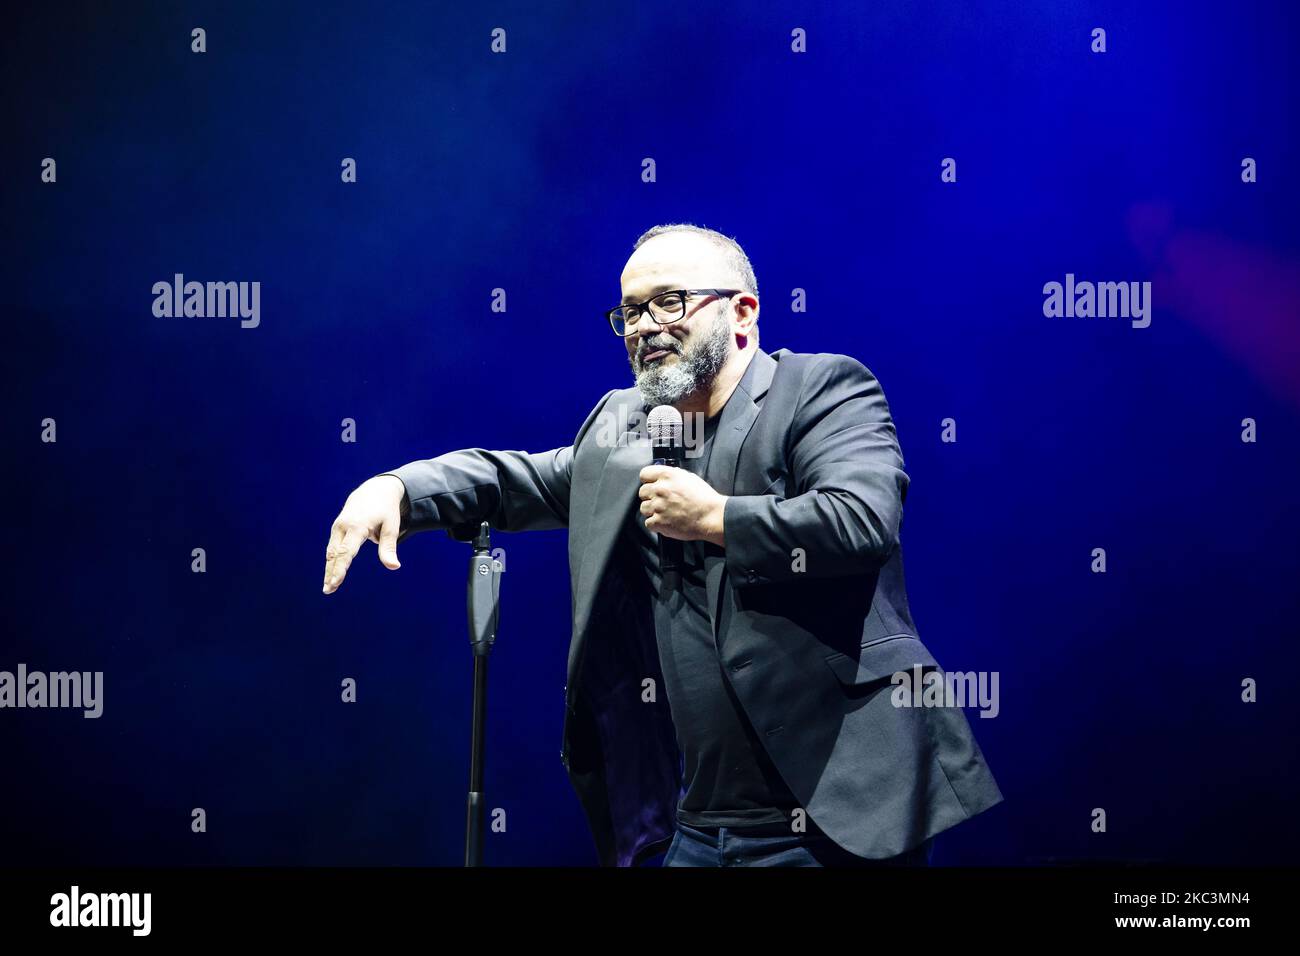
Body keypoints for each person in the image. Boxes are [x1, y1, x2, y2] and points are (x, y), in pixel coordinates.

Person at [322, 223, 1003, 866]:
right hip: (698, 825)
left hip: (841, 811)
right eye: (630, 312)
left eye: (668, 302)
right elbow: (517, 478)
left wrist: (718, 518)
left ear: (742, 312)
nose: (645, 326)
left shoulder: (818, 389)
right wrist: (398, 488)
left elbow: (860, 520)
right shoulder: (628, 425)